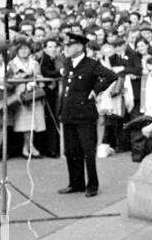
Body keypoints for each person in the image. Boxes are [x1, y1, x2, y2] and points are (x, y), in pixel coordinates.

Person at [57, 31, 118, 198]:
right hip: (69, 112)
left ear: (79, 46)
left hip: (84, 114)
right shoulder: (68, 63)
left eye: (69, 45)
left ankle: (92, 185)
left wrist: (96, 90)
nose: (66, 48)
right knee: (71, 150)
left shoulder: (91, 64)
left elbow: (111, 76)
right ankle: (75, 183)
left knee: (87, 151)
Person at [8, 40, 45, 158]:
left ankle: (27, 147)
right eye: (21, 49)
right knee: (25, 123)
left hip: (34, 92)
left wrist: (35, 77)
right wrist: (26, 75)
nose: (24, 51)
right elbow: (14, 77)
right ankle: (30, 147)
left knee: (34, 122)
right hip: (21, 94)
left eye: (26, 48)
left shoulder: (34, 63)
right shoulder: (12, 63)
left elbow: (39, 75)